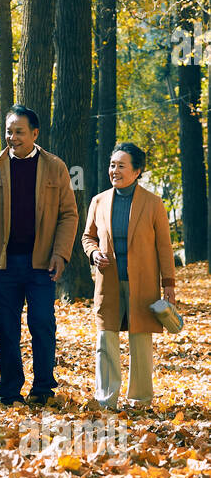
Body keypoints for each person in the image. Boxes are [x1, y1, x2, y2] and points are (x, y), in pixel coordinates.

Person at [0, 104, 78, 407]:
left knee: (42, 322)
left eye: (19, 132)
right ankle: (10, 390)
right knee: (6, 328)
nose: (12, 137)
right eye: (9, 131)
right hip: (2, 264)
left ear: (35, 133)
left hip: (41, 265)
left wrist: (60, 254)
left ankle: (42, 387)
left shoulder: (55, 167)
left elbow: (69, 215)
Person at [81, 142, 178, 411]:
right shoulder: (98, 201)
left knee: (140, 341)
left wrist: (168, 284)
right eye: (112, 165)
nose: (114, 170)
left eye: (121, 166)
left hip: (143, 283)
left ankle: (140, 399)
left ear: (137, 171)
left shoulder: (153, 203)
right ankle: (106, 399)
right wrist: (93, 253)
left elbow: (164, 247)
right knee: (106, 339)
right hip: (108, 282)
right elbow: (87, 237)